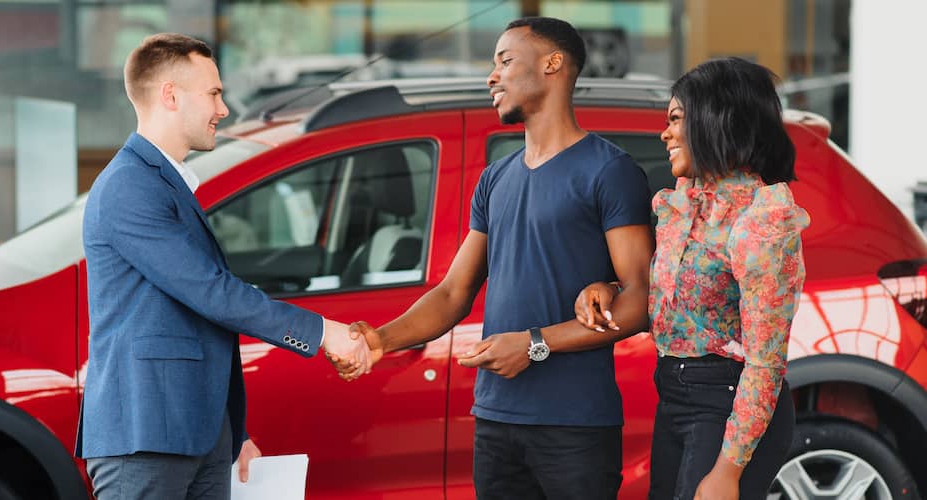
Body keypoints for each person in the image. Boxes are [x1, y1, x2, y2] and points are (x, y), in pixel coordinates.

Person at [341, 17, 655, 499]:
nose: (492, 76)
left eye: (505, 61)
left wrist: (533, 344)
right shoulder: (496, 178)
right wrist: (382, 338)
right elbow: (452, 293)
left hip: (575, 427)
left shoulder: (609, 171)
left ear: (553, 64)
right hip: (495, 421)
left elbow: (639, 300)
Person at [75, 33, 372, 500]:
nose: (224, 109)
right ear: (170, 95)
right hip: (145, 435)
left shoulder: (166, 182)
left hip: (197, 433)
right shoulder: (130, 186)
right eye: (214, 93)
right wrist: (322, 332)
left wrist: (234, 433)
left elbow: (193, 316)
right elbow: (210, 292)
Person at [575, 57, 808, 500]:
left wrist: (729, 469)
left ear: (717, 119)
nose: (664, 133)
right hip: (674, 396)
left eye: (676, 119)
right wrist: (607, 288)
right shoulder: (685, 203)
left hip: (728, 406)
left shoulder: (761, 220)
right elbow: (668, 298)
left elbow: (766, 363)